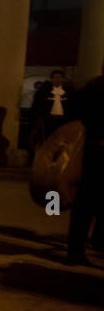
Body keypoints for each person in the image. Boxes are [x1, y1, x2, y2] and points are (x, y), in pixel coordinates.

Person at [67, 73, 103, 265]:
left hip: (93, 144)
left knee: (87, 201)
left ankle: (78, 248)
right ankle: (81, 249)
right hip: (99, 147)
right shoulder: (97, 87)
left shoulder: (92, 85)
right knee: (88, 201)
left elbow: (74, 109)